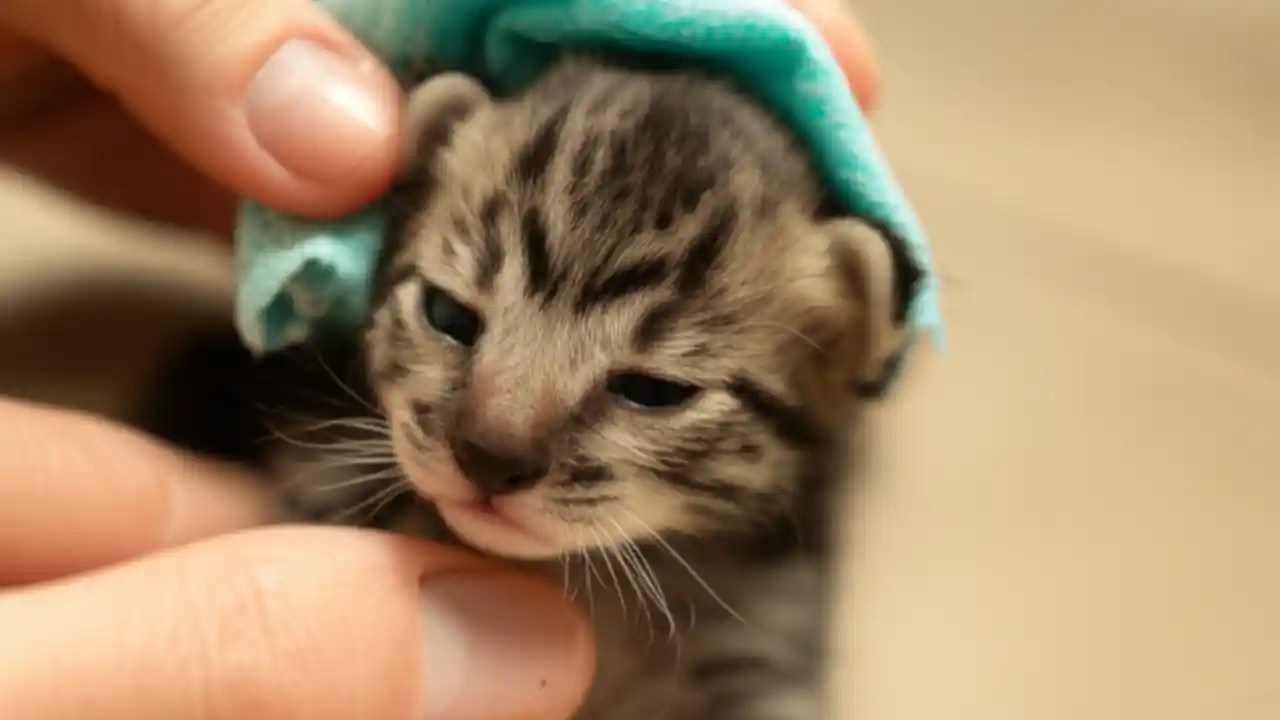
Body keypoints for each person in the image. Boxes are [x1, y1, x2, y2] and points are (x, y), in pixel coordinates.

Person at [0, 1, 880, 717]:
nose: (493, 438)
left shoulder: (755, 589)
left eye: (652, 387)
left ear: (836, 359)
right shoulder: (317, 453)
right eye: (454, 317)